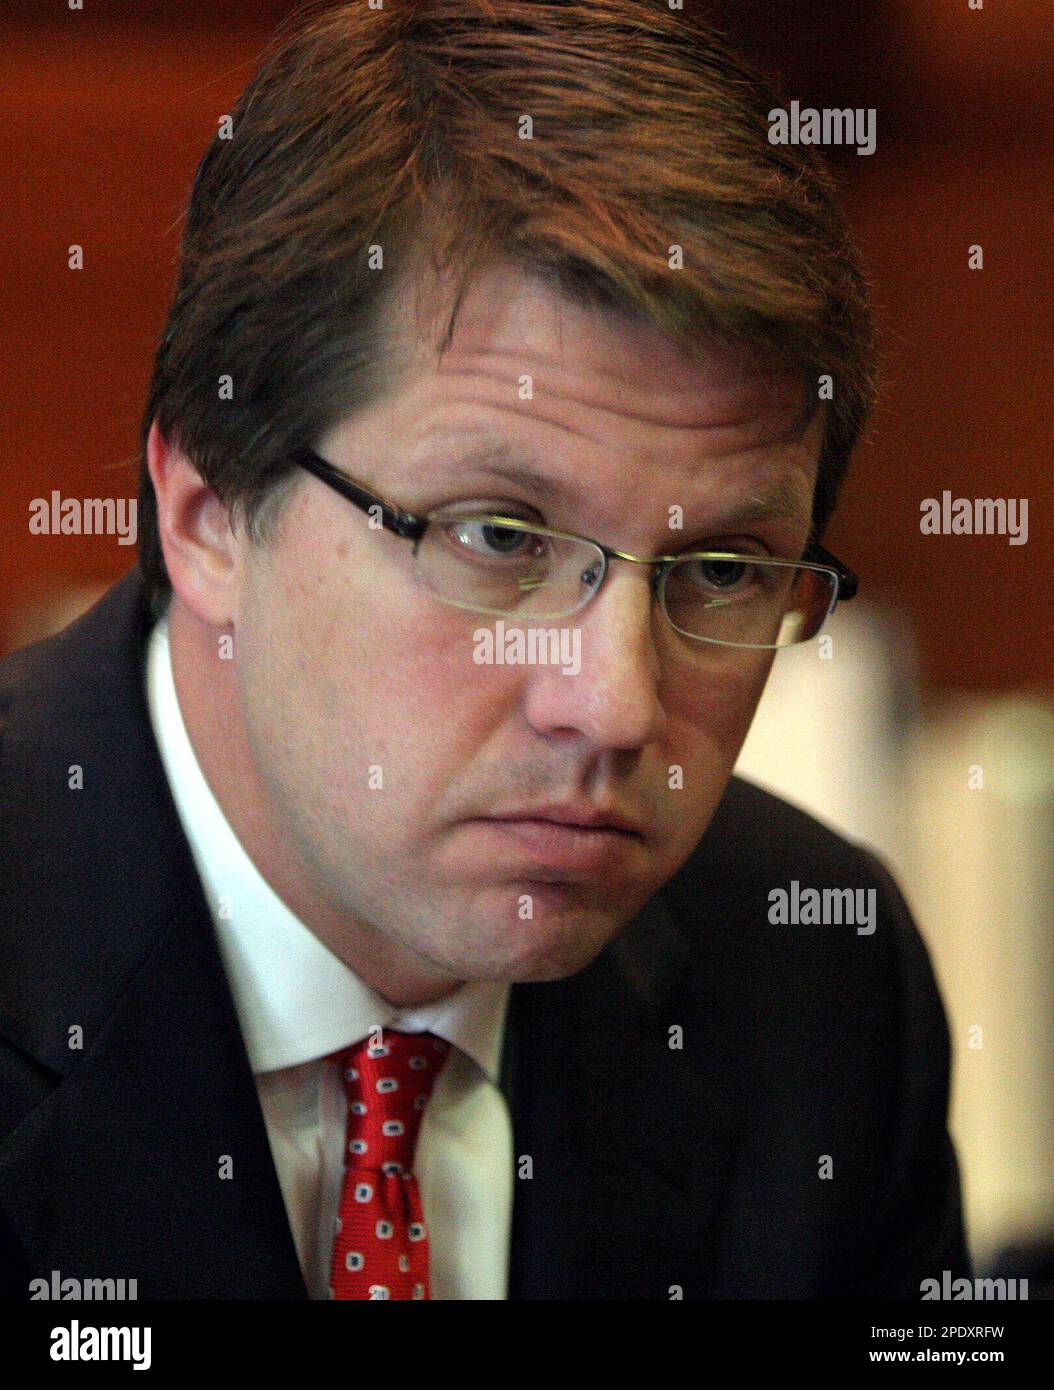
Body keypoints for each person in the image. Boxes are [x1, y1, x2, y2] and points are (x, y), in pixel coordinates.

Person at [0, 0, 969, 1300]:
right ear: (207, 514)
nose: (616, 705)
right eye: (498, 535)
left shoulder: (812, 990)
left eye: (722, 570)